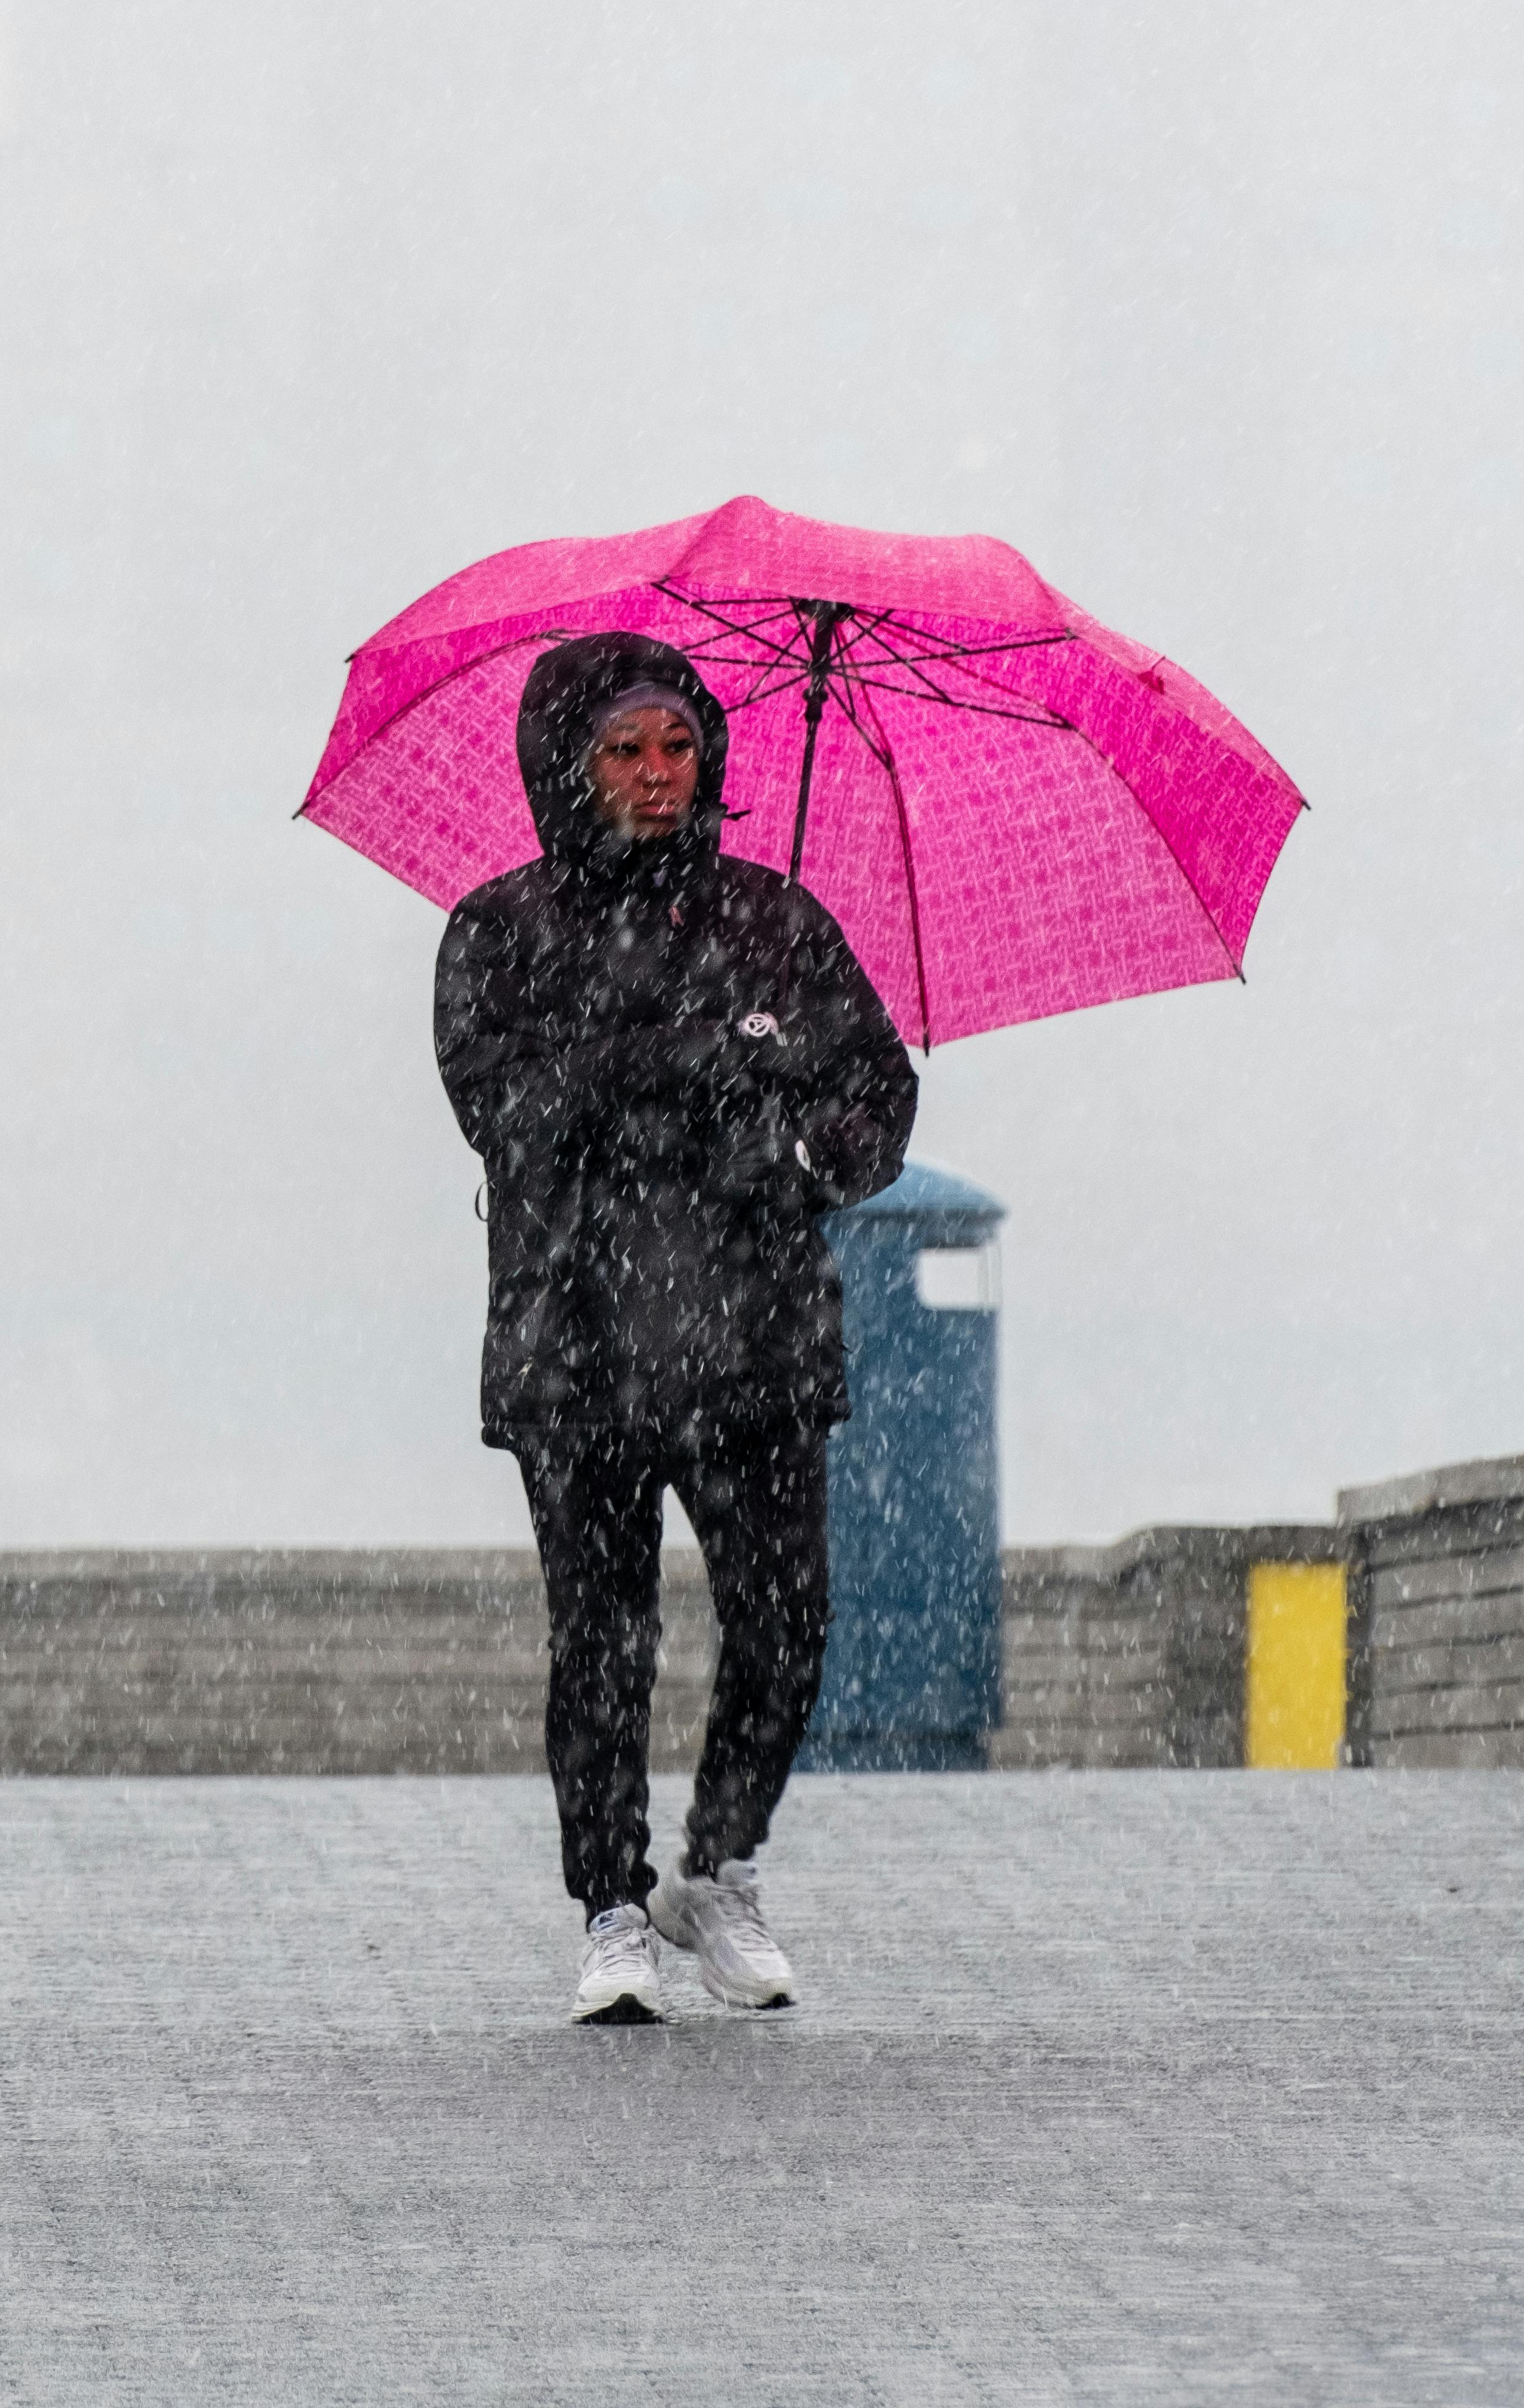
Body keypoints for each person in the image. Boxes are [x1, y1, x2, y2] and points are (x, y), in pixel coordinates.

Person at [433, 632, 917, 2025]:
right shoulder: (499, 930)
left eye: (677, 746)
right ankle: (610, 1904)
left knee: (788, 1618)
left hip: (756, 1341)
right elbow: (506, 1107)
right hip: (576, 1342)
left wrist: (804, 1144)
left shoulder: (780, 923)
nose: (657, 773)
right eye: (625, 750)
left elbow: (876, 1092)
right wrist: (692, 1060)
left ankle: (719, 1864)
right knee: (602, 1636)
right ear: (570, 768)